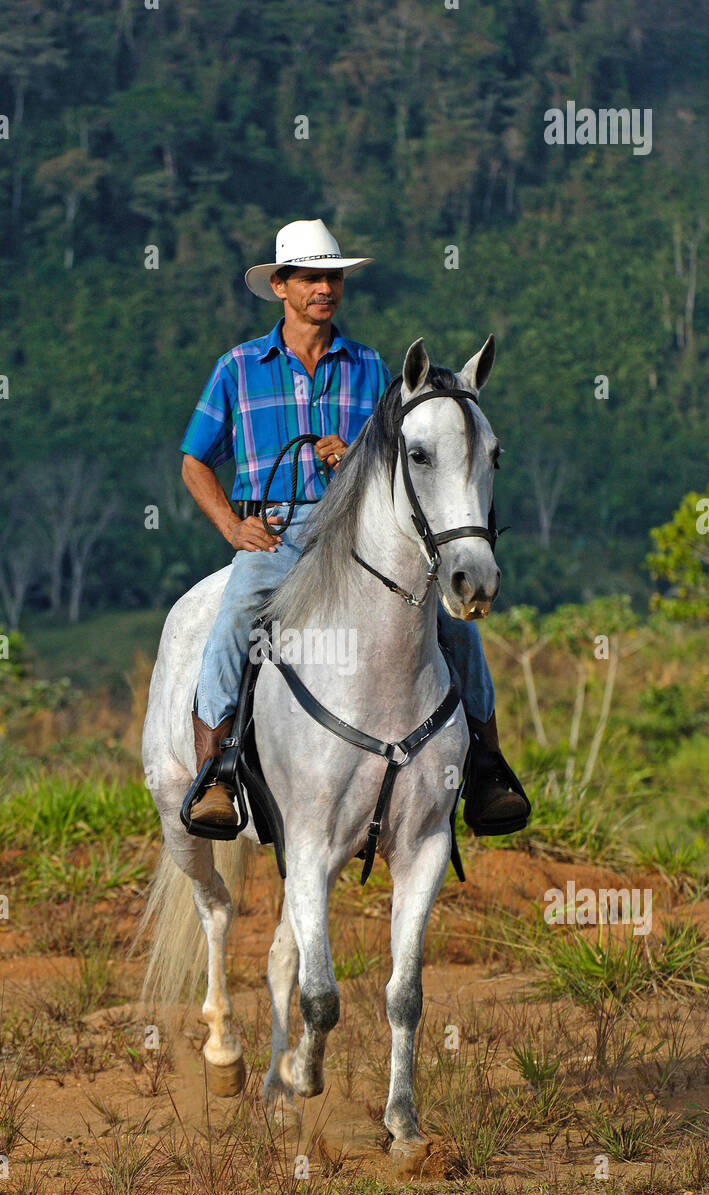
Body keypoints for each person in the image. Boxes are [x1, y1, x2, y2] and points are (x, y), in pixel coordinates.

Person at [178, 218, 528, 834]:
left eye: (333, 277)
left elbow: (406, 461)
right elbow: (194, 463)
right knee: (236, 615)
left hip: (359, 535)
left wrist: (356, 458)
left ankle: (487, 767)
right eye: (311, 277)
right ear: (281, 286)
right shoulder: (238, 367)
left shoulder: (371, 369)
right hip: (277, 530)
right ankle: (216, 775)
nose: (325, 288)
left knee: (454, 625)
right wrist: (235, 530)